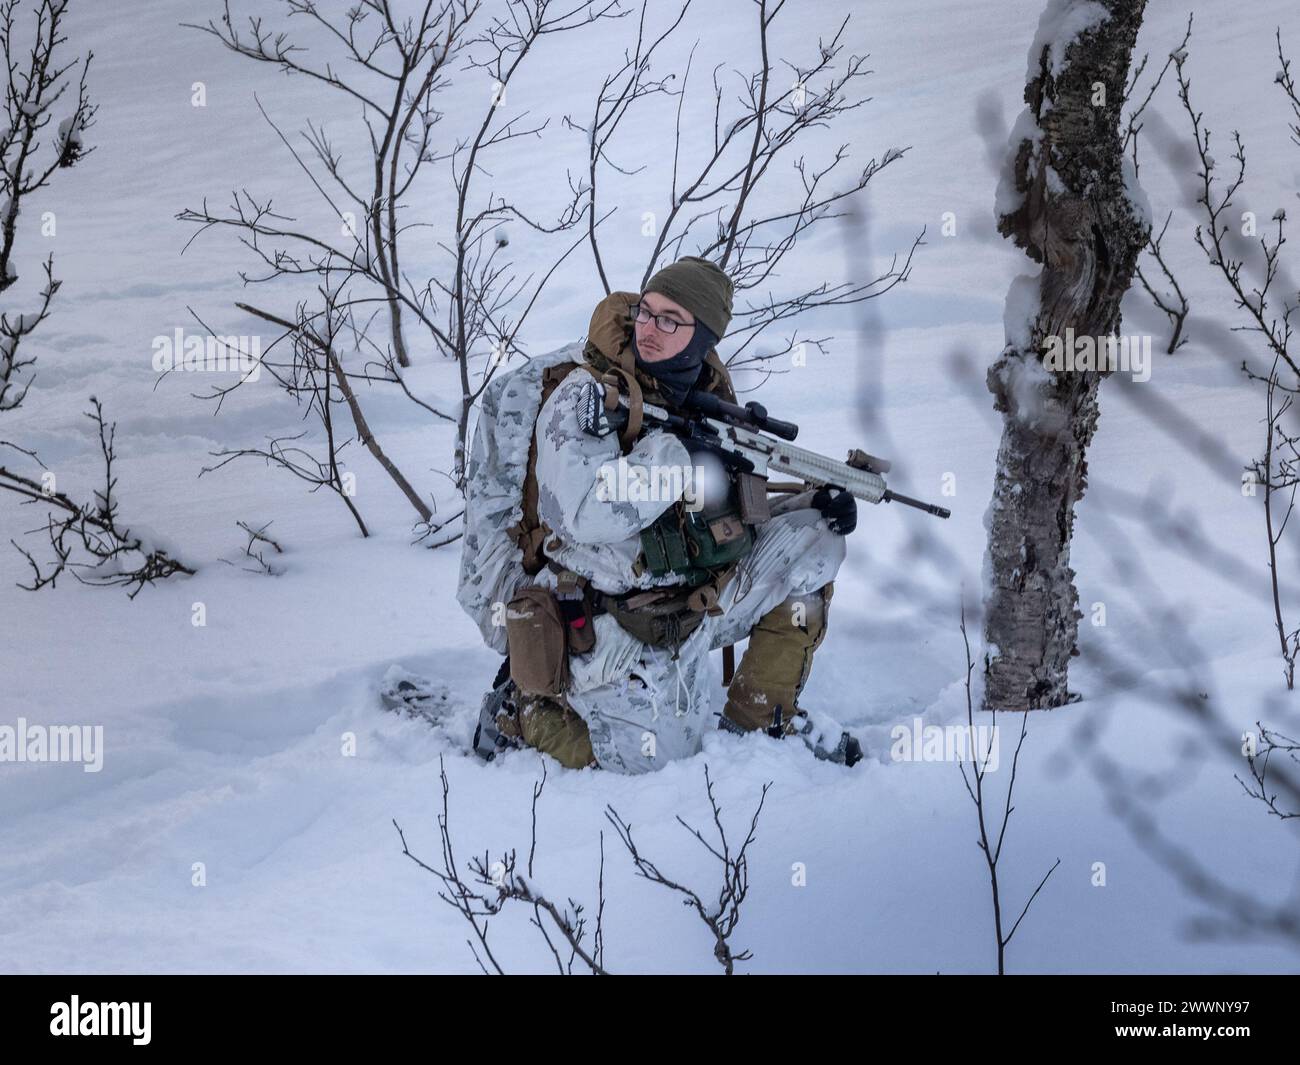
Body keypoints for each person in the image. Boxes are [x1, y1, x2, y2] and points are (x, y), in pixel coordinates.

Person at [488, 255, 860, 772]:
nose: (649, 329)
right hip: (606, 616)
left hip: (693, 599)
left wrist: (810, 503)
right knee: (652, 763)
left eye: (670, 320)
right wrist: (674, 457)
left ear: (704, 337)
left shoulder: (704, 394)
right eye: (646, 311)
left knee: (816, 538)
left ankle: (759, 720)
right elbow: (583, 514)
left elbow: (725, 519)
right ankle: (523, 708)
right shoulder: (586, 395)